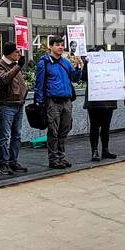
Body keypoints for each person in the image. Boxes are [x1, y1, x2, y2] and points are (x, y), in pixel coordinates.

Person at [32, 36, 83, 168]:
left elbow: (75, 78)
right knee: (53, 131)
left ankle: (61, 157)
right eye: (57, 45)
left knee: (65, 129)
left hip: (67, 101)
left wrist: (78, 68)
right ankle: (53, 159)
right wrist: (40, 103)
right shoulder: (44, 63)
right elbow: (39, 84)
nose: (60, 47)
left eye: (61, 44)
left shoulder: (66, 63)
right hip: (52, 102)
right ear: (50, 46)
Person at [0, 42, 30, 174]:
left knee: (17, 135)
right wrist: (18, 66)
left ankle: (13, 161)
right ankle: (4, 164)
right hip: (7, 105)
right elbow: (4, 79)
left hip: (18, 103)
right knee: (5, 136)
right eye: (16, 52)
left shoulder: (15, 65)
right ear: (9, 53)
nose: (19, 54)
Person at [83, 47, 118, 162]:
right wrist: (85, 64)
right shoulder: (89, 63)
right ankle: (95, 151)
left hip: (108, 100)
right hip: (95, 101)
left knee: (106, 127)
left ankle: (105, 150)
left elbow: (117, 76)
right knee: (95, 126)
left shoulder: (111, 65)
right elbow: (83, 77)